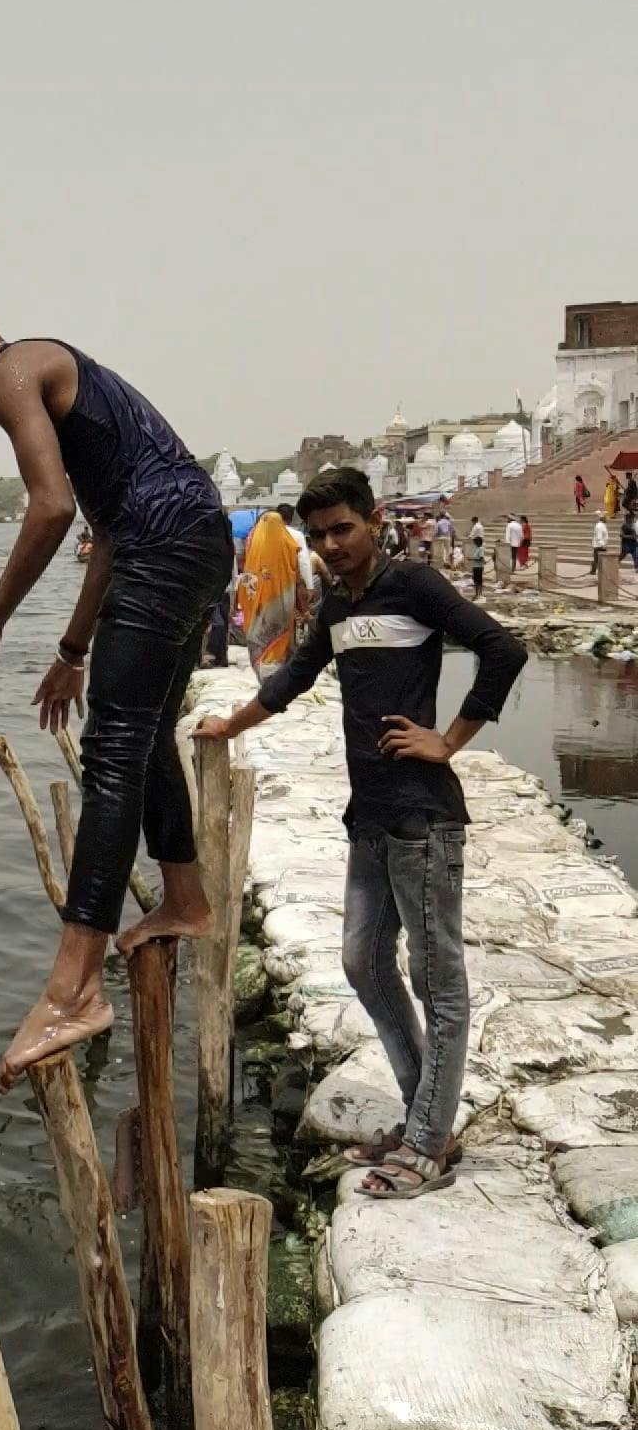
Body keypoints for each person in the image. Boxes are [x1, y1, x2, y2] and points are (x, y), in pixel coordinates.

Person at [0, 272, 232, 1090]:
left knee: (112, 750)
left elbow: (48, 510)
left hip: (167, 547)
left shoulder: (11, 373)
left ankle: (75, 988)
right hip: (196, 540)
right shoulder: (59, 378)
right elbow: (103, 529)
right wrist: (74, 650)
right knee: (140, 735)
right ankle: (184, 899)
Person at [195, 467, 526, 1201]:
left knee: (437, 981)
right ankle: (422, 1116)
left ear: (373, 520)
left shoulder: (413, 587)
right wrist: (229, 725)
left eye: (342, 529)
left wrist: (450, 740)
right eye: (316, 535)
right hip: (369, 816)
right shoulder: (339, 605)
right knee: (361, 963)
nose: (329, 545)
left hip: (424, 817)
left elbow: (503, 650)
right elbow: (292, 680)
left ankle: (430, 1140)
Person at [238, 511, 306, 671]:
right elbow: (297, 573)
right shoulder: (288, 543)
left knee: (258, 635)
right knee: (278, 636)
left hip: (256, 601)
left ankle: (263, 670)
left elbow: (246, 574)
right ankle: (276, 670)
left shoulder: (252, 542)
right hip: (281, 601)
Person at [591, 509, 609, 577]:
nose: (606, 519)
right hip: (599, 545)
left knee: (596, 559)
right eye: (605, 518)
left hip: (600, 545)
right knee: (599, 559)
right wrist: (602, 545)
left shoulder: (602, 525)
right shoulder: (600, 526)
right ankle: (597, 571)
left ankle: (594, 570)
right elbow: (599, 537)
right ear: (603, 518)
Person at [469, 529, 486, 600]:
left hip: (478, 567)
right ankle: (476, 593)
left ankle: (479, 593)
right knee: (476, 580)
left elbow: (481, 558)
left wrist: (472, 559)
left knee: (478, 580)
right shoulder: (477, 548)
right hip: (476, 566)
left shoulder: (481, 549)